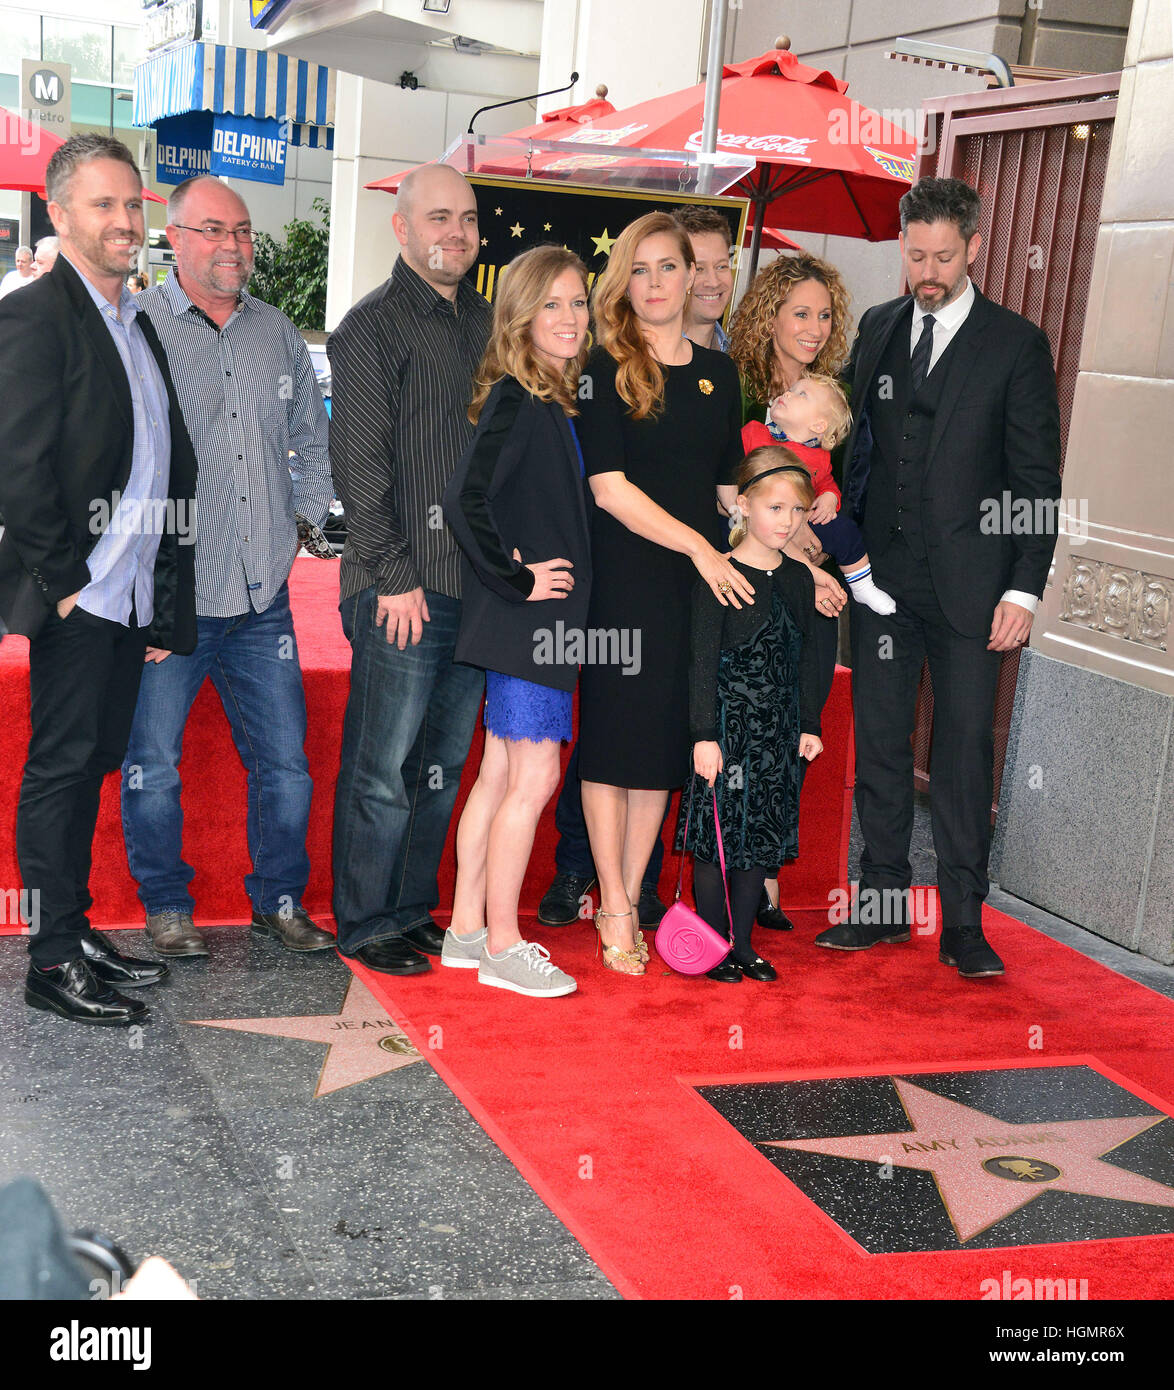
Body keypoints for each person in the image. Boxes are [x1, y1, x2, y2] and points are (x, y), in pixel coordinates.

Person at [816, 176, 1061, 979]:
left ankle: (964, 925)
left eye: (943, 256)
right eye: (914, 253)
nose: (927, 269)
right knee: (882, 747)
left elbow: (1036, 482)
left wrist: (1023, 589)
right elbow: (854, 454)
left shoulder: (1016, 344)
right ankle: (883, 906)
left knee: (961, 757)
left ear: (976, 249)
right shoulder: (881, 327)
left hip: (974, 593)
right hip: (881, 587)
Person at [0, 134, 197, 1026]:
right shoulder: (37, 316)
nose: (126, 220)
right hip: (80, 596)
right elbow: (17, 465)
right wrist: (68, 580)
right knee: (58, 772)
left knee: (89, 771)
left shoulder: (134, 318)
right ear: (60, 213)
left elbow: (159, 459)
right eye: (106, 205)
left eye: (134, 204)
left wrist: (151, 591)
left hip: (127, 598)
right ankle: (48, 960)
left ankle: (73, 933)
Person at [120, 174, 334, 958]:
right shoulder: (137, 327)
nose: (234, 246)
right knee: (154, 764)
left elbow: (315, 440)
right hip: (170, 601)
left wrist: (301, 520)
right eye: (214, 230)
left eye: (242, 232)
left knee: (286, 766)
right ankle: (166, 904)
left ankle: (278, 901)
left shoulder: (276, 333)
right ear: (173, 237)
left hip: (262, 599)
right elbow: (114, 458)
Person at [535, 204, 738, 932]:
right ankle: (615, 905)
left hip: (693, 584)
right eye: (641, 269)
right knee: (614, 740)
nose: (655, 283)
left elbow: (725, 490)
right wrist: (702, 547)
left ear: (694, 278)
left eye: (670, 267)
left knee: (661, 746)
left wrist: (789, 545)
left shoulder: (720, 371)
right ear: (624, 279)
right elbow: (609, 490)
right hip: (622, 580)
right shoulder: (602, 366)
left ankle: (623, 894)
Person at [329, 165, 491, 976]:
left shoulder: (490, 324)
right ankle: (363, 921)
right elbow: (357, 468)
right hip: (400, 587)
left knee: (439, 767)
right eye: (437, 218)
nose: (453, 233)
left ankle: (408, 907)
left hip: (473, 592)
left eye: (465, 218)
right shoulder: (372, 327)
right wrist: (393, 576)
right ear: (402, 228)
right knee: (383, 767)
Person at [439, 246, 593, 997]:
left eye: (578, 302)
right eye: (553, 304)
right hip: (529, 626)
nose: (569, 318)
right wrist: (515, 579)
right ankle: (504, 942)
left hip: (535, 625)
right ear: (521, 316)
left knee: (502, 775)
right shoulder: (516, 396)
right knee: (534, 775)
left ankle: (467, 930)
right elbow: (465, 502)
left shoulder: (549, 398)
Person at [728, 252, 853, 931]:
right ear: (769, 314)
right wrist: (803, 557)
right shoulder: (742, 392)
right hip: (753, 588)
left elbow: (836, 500)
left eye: (824, 314)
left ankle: (770, 879)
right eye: (799, 312)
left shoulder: (831, 401)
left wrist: (819, 549)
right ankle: (735, 879)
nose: (813, 326)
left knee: (798, 728)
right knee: (745, 731)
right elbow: (733, 499)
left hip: (811, 591)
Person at [684, 448, 824, 982]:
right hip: (724, 729)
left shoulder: (800, 579)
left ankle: (742, 944)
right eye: (775, 508)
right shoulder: (717, 574)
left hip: (778, 731)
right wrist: (703, 735)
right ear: (744, 505)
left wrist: (809, 723)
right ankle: (713, 943)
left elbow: (808, 657)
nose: (786, 522)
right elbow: (700, 660)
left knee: (758, 837)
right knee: (716, 836)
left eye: (796, 511)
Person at [741, 374, 895, 614]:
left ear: (818, 426)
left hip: (805, 523)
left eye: (801, 394)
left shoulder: (820, 459)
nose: (788, 394)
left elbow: (826, 483)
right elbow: (732, 473)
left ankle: (863, 585)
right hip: (758, 523)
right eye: (791, 389)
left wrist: (830, 497)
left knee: (845, 530)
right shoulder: (754, 433)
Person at [673, 205, 735, 351]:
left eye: (721, 266)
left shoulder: (738, 360)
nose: (713, 283)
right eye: (699, 269)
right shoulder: (642, 358)